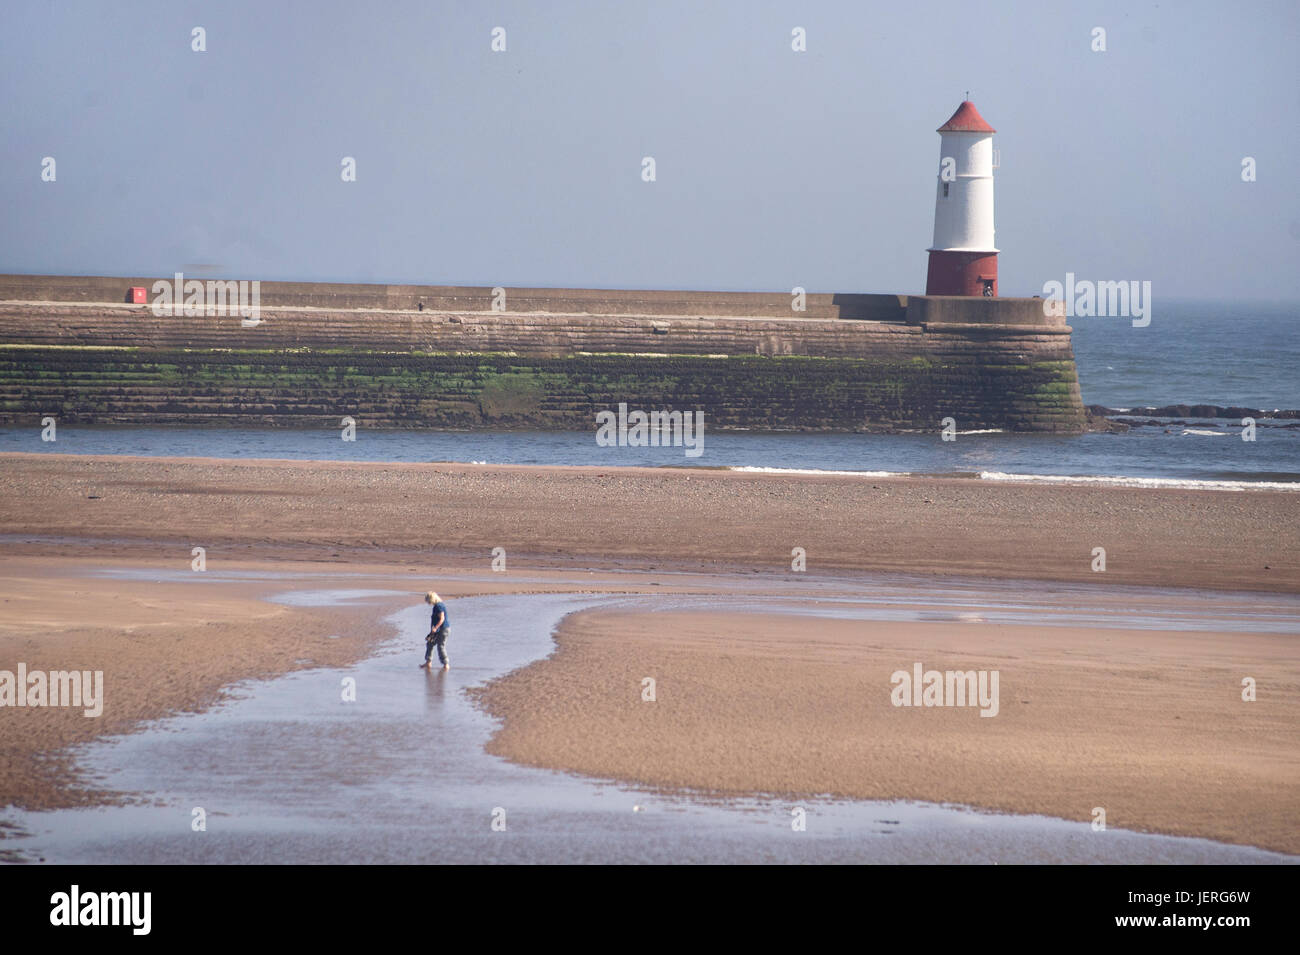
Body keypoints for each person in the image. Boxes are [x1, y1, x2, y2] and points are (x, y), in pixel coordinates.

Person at [420, 591, 450, 670]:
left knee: (441, 646)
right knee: (430, 643)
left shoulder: (439, 606)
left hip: (443, 629)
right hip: (437, 630)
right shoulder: (437, 606)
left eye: (428, 600)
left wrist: (435, 627)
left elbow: (442, 619)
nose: (428, 603)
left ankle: (446, 664)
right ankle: (428, 662)